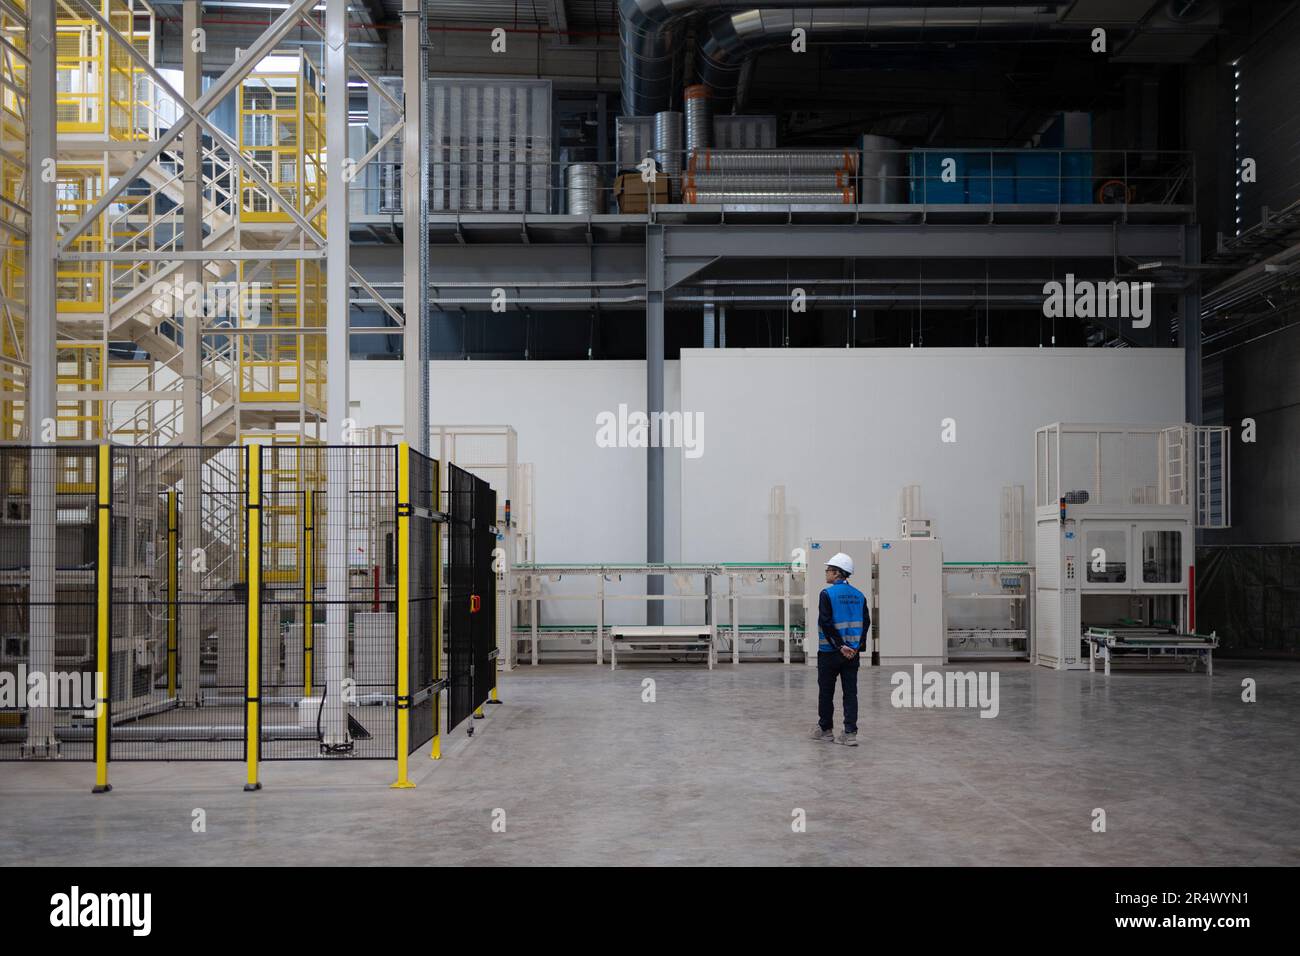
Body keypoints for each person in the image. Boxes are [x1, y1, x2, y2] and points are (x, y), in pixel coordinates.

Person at [810, 552, 869, 746]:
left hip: (830, 653)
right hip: (852, 655)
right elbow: (866, 624)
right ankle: (850, 733)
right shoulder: (860, 595)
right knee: (850, 692)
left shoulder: (826, 594)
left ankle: (826, 730)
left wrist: (839, 647)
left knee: (826, 692)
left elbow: (826, 623)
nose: (826, 573)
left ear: (837, 573)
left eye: (828, 570)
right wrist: (855, 648)